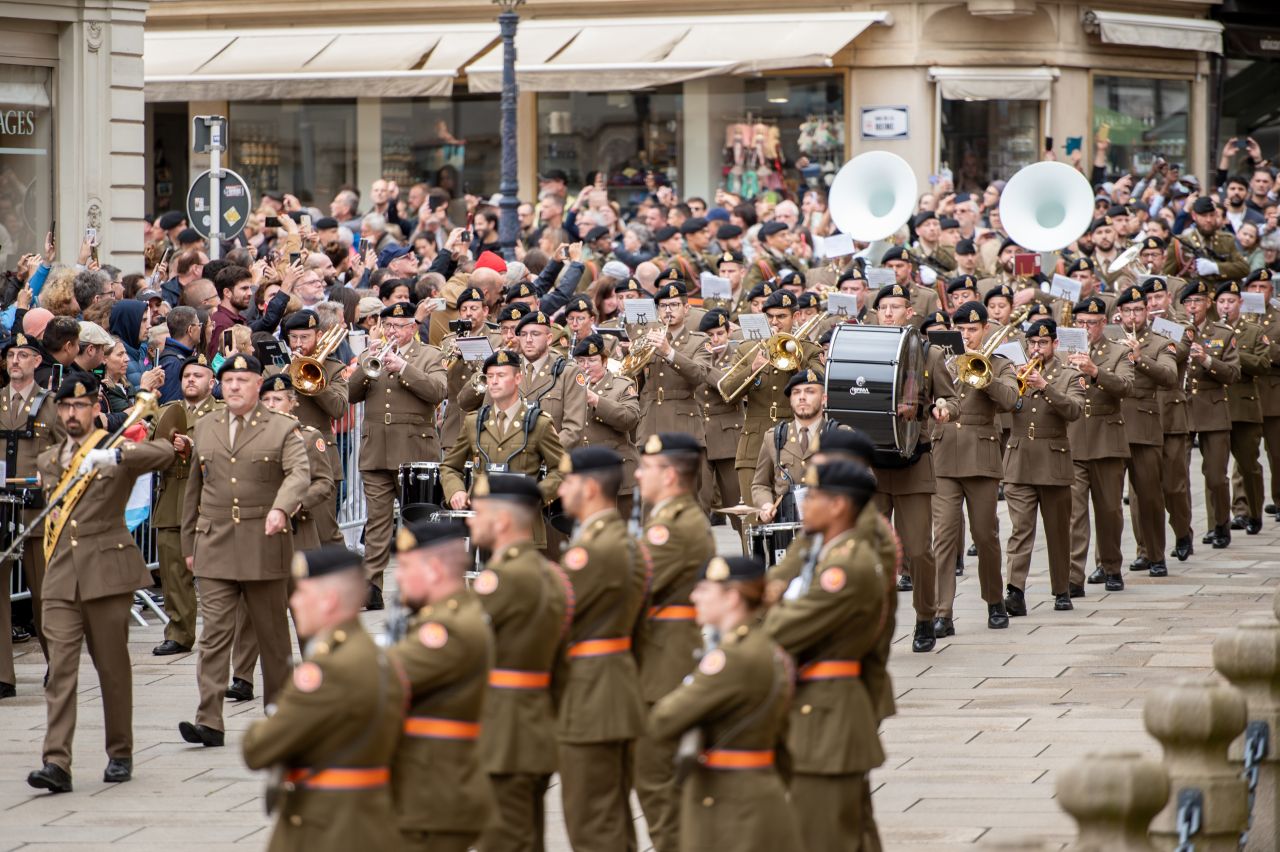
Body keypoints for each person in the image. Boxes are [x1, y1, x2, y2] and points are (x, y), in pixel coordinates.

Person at [26, 374, 175, 793]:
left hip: (107, 572)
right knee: (60, 670)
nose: (72, 414)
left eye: (81, 406)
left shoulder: (114, 450)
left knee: (111, 667)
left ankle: (120, 751)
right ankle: (56, 761)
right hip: (60, 575)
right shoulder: (50, 460)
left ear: (95, 409)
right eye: (66, 407)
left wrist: (117, 459)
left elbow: (165, 452)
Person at [177, 353, 311, 748]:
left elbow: (299, 474)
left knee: (271, 636)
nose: (234, 386)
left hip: (264, 541)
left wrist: (281, 509)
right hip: (214, 540)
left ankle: (280, 713)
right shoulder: (206, 427)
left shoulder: (283, 428)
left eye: (243, 379)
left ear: (258, 384)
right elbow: (194, 489)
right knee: (215, 633)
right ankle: (209, 720)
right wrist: (189, 543)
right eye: (229, 380)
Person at [241, 545, 405, 851]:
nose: (294, 601)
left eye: (303, 593)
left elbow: (257, 748)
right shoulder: (370, 654)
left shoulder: (329, 669)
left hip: (328, 829)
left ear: (328, 601)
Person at [764, 459, 887, 851]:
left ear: (837, 506)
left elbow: (787, 625)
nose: (804, 502)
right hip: (818, 710)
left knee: (824, 837)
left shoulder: (846, 564)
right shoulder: (827, 551)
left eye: (813, 495)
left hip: (830, 716)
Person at [649, 555, 803, 852]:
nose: (694, 596)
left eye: (704, 589)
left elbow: (663, 719)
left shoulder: (732, 657)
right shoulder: (762, 646)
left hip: (732, 806)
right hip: (756, 797)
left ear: (732, 598)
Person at [466, 473, 570, 852]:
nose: (471, 519)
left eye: (479, 512)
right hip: (535, 729)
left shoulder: (505, 579)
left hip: (504, 738)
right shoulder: (551, 574)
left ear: (503, 520)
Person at [554, 447, 647, 852]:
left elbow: (552, 619)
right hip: (613, 688)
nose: (560, 490)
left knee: (591, 822)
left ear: (589, 487)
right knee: (609, 819)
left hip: (592, 697)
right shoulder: (617, 540)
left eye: (567, 481)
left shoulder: (591, 550)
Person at [226, 372, 337, 701]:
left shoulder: (307, 436)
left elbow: (323, 482)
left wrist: (298, 503)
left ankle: (315, 668)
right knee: (249, 605)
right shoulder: (250, 436)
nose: (272, 405)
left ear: (293, 403)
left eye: (279, 400)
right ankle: (242, 677)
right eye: (268, 400)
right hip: (258, 533)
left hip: (298, 532)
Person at [389, 518, 496, 852]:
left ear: (434, 569)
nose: (398, 576)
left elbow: (377, 681)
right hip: (434, 788)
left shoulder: (446, 630)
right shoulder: (446, 618)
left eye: (406, 567)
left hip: (435, 794)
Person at [632, 432, 717, 852]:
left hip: (664, 665)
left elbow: (632, 588)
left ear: (668, 475)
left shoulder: (673, 525)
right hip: (667, 655)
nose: (636, 474)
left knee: (657, 783)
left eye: (645, 468)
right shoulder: (675, 518)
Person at [868, 283, 958, 652]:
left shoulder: (929, 354)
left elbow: (952, 400)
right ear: (876, 313)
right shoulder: (865, 350)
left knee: (919, 549)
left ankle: (925, 617)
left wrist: (938, 409)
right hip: (870, 465)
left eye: (896, 307)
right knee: (869, 550)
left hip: (912, 459)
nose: (889, 313)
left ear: (910, 312)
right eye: (883, 308)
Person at [348, 302, 447, 608]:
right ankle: (371, 587)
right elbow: (351, 395)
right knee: (377, 523)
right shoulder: (371, 352)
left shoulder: (430, 355)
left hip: (415, 450)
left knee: (418, 520)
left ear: (412, 328)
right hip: (377, 449)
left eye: (398, 326)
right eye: (388, 325)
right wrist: (367, 365)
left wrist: (403, 367)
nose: (392, 331)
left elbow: (437, 391)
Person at [933, 302, 1019, 632]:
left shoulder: (998, 362)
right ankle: (943, 612)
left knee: (985, 535)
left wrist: (984, 378)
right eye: (962, 329)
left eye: (973, 329)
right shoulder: (940, 361)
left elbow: (1011, 401)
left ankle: (994, 601)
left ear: (985, 329)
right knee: (944, 536)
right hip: (943, 457)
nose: (967, 335)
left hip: (981, 457)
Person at [440, 350, 564, 552]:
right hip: (482, 527)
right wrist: (456, 490)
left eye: (501, 375)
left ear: (518, 378)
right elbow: (450, 466)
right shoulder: (475, 422)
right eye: (490, 376)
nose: (494, 382)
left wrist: (534, 496)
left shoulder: (538, 423)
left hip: (523, 527)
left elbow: (561, 469)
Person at [1002, 318, 1086, 615]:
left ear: (1055, 344)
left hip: (1053, 459)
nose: (1036, 349)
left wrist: (1046, 386)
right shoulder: (1012, 371)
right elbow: (1002, 405)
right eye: (1032, 344)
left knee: (1058, 529)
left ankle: (1061, 589)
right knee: (1020, 529)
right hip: (1019, 459)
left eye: (1042, 343)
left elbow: (1074, 410)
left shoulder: (1069, 375)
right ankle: (1015, 591)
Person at [0, 332, 64, 694]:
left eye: (23, 355)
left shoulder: (50, 404)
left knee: (45, 595)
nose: (15, 362)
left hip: (37, 511)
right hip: (1, 509)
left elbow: (67, 451)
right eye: (11, 355)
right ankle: (3, 674)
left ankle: (57, 664)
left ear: (37, 362)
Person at [719, 289, 822, 506]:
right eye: (770, 317)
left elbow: (819, 384)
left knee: (794, 517)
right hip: (754, 443)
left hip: (794, 442)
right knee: (752, 518)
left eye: (781, 316)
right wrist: (752, 369)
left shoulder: (810, 350)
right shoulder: (749, 348)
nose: (775, 322)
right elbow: (727, 392)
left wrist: (795, 358)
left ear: (795, 317)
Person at [150, 352, 222, 656]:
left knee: (218, 575)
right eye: (186, 376)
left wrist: (193, 448)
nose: (191, 380)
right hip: (173, 497)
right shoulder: (166, 411)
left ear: (212, 382)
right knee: (173, 574)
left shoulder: (221, 413)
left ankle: (221, 634)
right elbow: (148, 448)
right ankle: (179, 633)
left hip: (210, 499)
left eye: (198, 375)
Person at [1065, 296, 1135, 595]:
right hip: (1074, 440)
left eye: (1092, 323)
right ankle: (1073, 576)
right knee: (1074, 514)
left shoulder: (1118, 351)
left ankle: (1111, 566)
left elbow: (1126, 386)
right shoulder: (1062, 352)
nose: (1086, 328)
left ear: (1103, 324)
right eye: (1080, 323)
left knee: (1109, 511)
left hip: (1107, 441)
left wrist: (1096, 372)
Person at [1113, 286, 1178, 580]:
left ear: (1147, 312)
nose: (1133, 316)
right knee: (1108, 501)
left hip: (1144, 425)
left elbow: (1169, 377)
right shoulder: (1108, 341)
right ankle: (1110, 561)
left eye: (1138, 310)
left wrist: (1140, 359)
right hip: (1110, 427)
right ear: (1119, 314)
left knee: (1150, 495)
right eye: (1128, 311)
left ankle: (1155, 554)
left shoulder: (1160, 342)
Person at [1180, 280, 1242, 548]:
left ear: (1208, 303)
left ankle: (1220, 524)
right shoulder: (1175, 333)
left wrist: (1206, 359)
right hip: (1181, 411)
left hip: (1213, 409)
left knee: (1216, 475)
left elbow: (1233, 374)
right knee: (1176, 478)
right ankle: (1183, 533)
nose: (1193, 307)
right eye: (1188, 302)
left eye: (1198, 301)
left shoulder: (1224, 333)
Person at [281, 308, 348, 546]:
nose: (298, 344)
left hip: (319, 459)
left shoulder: (333, 368)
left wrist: (313, 380)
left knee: (325, 533)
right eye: (294, 338)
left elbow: (339, 408)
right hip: (281, 456)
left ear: (318, 336)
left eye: (305, 337)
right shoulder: (277, 367)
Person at [571, 334, 641, 518]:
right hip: (584, 473)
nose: (586, 366)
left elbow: (630, 419)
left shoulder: (622, 385)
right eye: (581, 361)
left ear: (604, 361)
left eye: (592, 361)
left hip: (617, 472)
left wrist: (595, 399)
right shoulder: (568, 388)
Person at [751, 369, 833, 524]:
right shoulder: (774, 437)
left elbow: (865, 480)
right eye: (796, 392)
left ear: (824, 399)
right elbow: (760, 484)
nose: (802, 397)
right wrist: (766, 505)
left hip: (828, 527)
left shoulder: (839, 435)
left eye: (810, 392)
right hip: (787, 527)